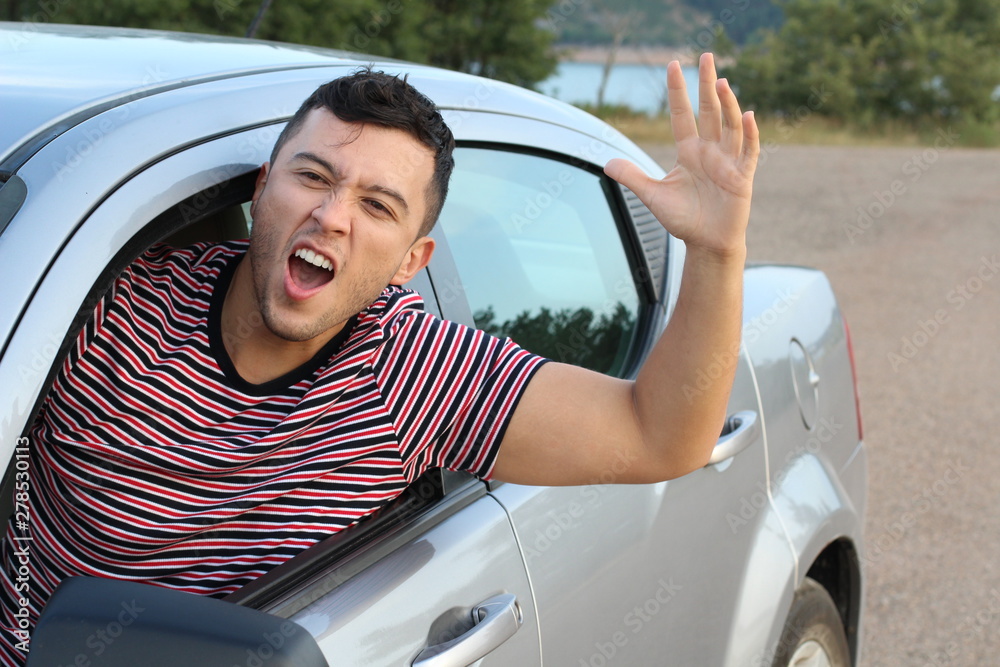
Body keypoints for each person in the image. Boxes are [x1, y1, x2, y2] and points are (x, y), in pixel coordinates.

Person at [0, 52, 757, 663]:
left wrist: (717, 251)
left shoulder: (412, 373)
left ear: (409, 261)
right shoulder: (111, 306)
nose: (332, 216)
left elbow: (659, 433)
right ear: (263, 189)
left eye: (377, 205)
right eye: (312, 177)